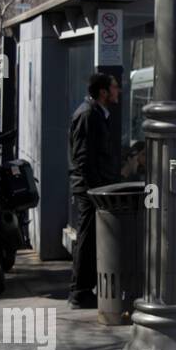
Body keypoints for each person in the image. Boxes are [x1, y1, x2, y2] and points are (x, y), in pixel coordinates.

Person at [67, 71, 121, 309]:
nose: (118, 91)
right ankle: (79, 291)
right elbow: (83, 158)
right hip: (90, 191)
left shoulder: (96, 114)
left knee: (90, 239)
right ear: (103, 92)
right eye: (115, 87)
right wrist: (95, 191)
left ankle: (83, 288)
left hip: (95, 189)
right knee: (87, 239)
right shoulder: (88, 115)